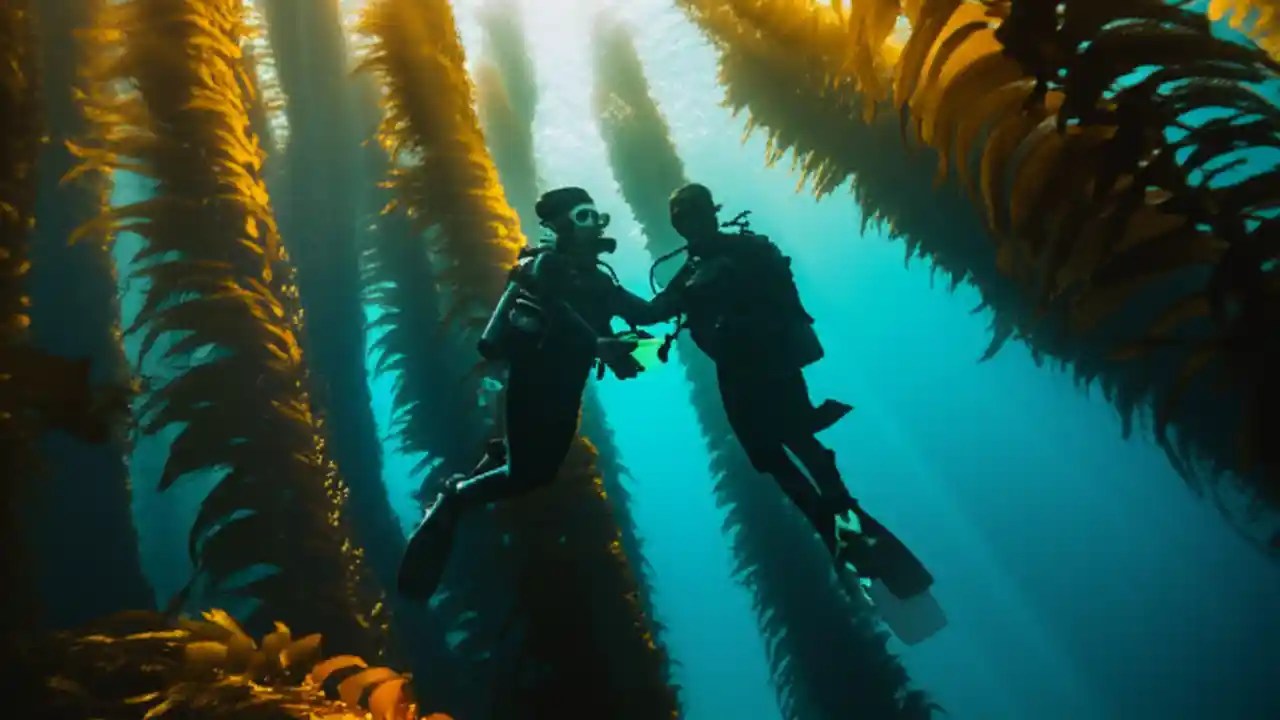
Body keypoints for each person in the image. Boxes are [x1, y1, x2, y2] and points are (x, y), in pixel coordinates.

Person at [636, 183, 932, 599]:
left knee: (805, 451)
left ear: (710, 213)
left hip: (770, 369)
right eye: (681, 218)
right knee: (775, 460)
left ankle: (853, 536)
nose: (689, 224)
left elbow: (763, 301)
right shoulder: (694, 270)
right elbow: (653, 312)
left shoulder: (744, 253)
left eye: (694, 214)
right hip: (738, 378)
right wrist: (601, 294)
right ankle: (843, 538)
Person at [398, 186, 656, 602]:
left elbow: (647, 312)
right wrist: (599, 345)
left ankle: (489, 463)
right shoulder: (546, 265)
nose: (596, 223)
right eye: (583, 216)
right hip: (533, 383)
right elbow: (556, 309)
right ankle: (454, 499)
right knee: (527, 473)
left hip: (566, 387)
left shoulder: (596, 280)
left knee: (536, 470)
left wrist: (695, 284)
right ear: (561, 226)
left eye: (595, 215)